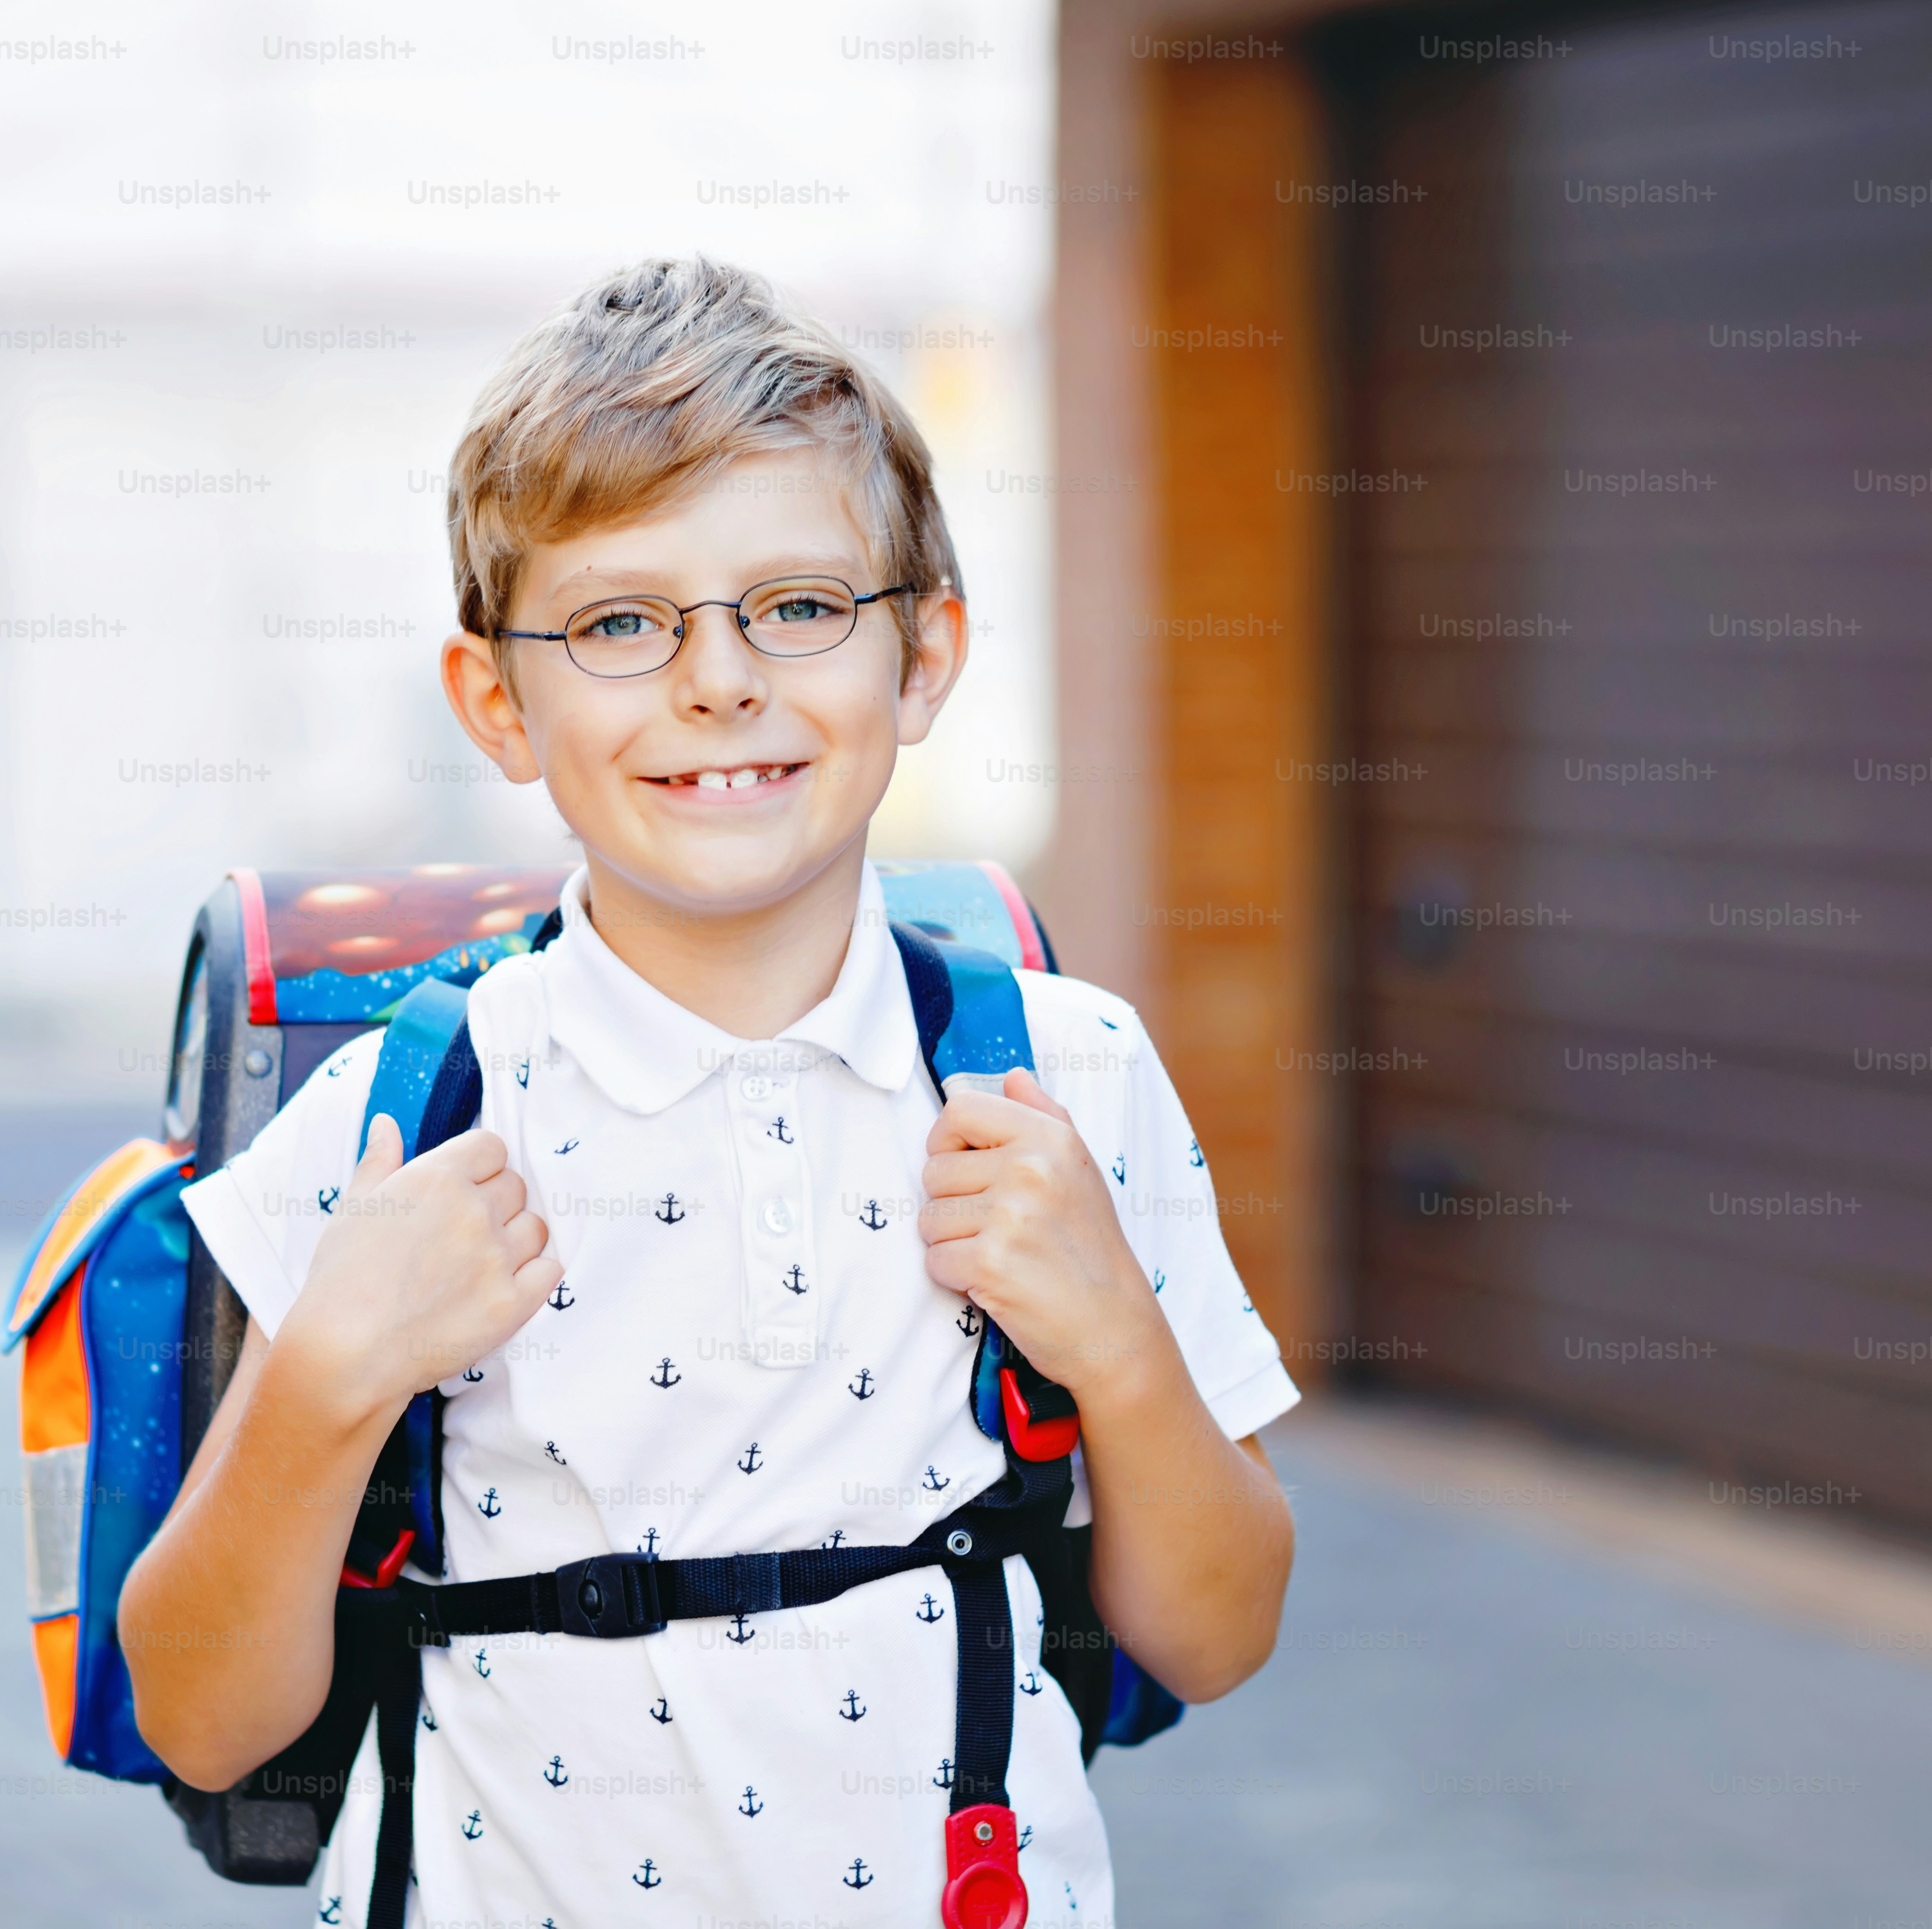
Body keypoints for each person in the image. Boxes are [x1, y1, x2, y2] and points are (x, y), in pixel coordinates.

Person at [118, 255, 1297, 1925]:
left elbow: (1221, 1633)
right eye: (618, 623)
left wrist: (1118, 1333)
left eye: (802, 607)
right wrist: (327, 1376)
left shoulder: (1068, 1078)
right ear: (497, 703)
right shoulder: (405, 1120)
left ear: (926, 655)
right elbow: (207, 1719)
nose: (720, 679)